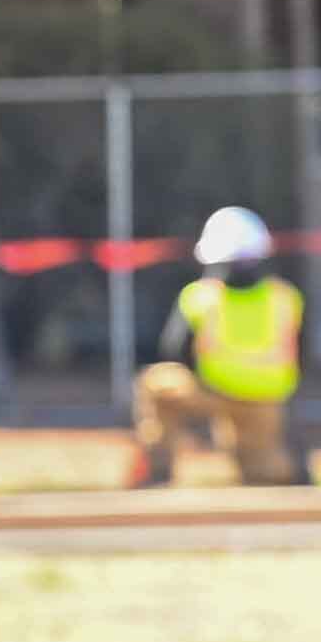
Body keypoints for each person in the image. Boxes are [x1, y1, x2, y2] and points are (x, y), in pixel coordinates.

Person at [126, 206, 309, 487]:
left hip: (212, 389)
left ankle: (158, 470)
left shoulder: (200, 297)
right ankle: (271, 463)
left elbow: (175, 351)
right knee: (266, 475)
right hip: (267, 396)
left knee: (155, 384)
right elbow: (300, 351)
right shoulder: (286, 296)